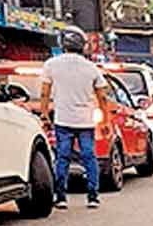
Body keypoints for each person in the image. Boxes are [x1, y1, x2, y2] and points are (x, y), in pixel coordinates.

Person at [40, 26, 108, 209]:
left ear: (63, 44)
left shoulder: (51, 65)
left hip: (63, 120)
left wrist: (44, 114)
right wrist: (106, 120)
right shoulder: (91, 67)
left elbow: (45, 93)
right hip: (85, 121)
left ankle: (61, 197)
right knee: (89, 157)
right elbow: (102, 96)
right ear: (82, 45)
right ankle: (93, 196)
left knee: (62, 158)